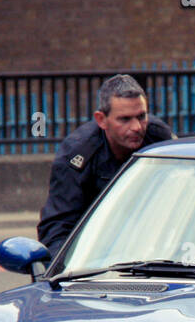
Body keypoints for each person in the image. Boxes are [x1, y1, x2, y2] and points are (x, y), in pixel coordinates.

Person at [37, 74, 173, 256]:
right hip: (93, 253)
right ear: (101, 120)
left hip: (151, 247)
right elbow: (58, 228)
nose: (137, 127)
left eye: (141, 116)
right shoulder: (78, 154)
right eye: (125, 119)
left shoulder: (158, 137)